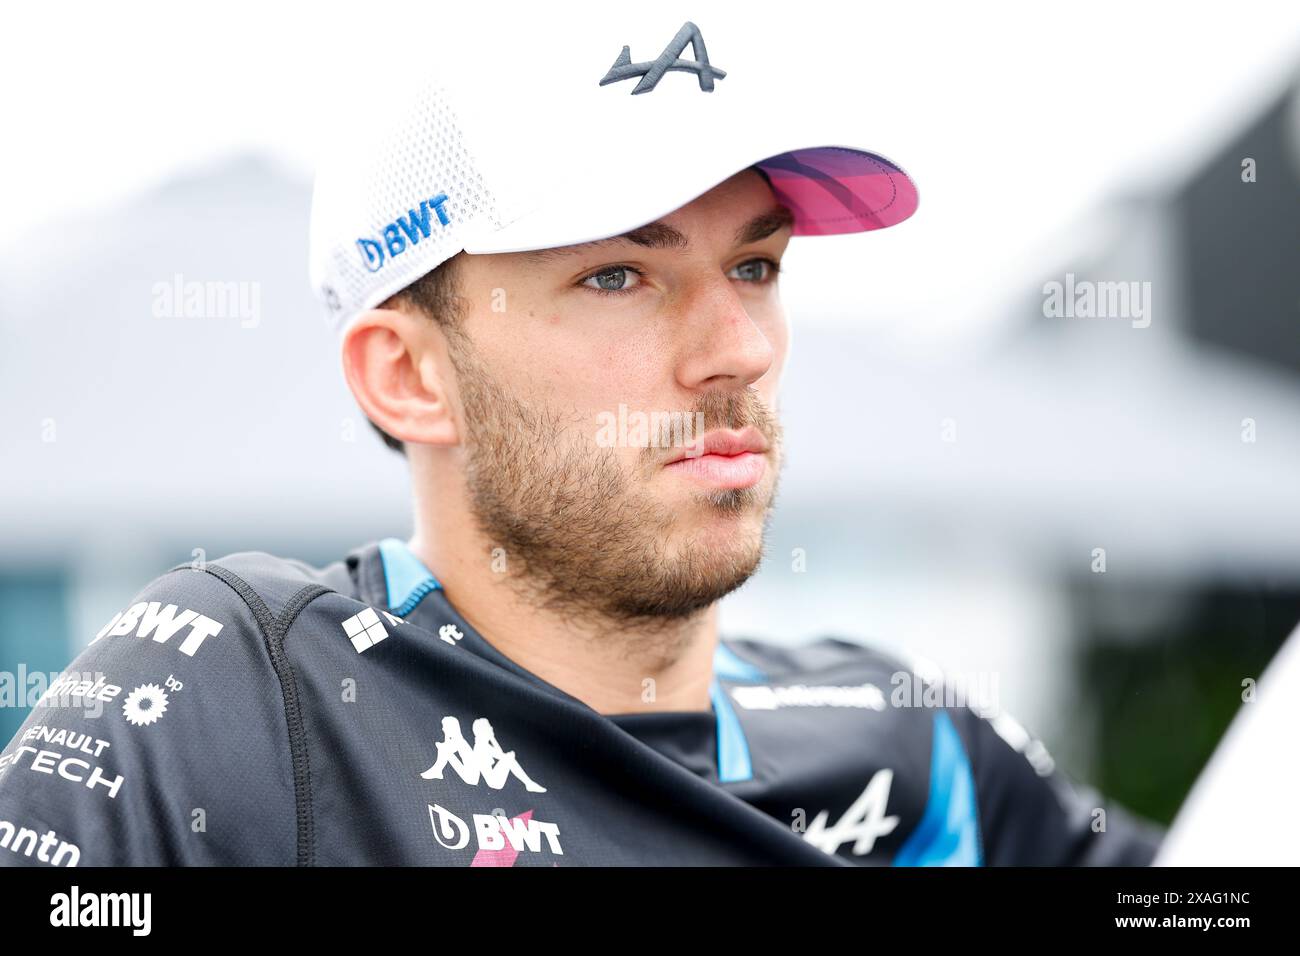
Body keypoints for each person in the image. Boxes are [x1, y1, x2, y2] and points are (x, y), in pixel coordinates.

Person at [0, 17, 1162, 866]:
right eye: (618, 273)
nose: (738, 348)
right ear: (409, 374)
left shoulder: (908, 742)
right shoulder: (247, 691)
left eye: (754, 265)